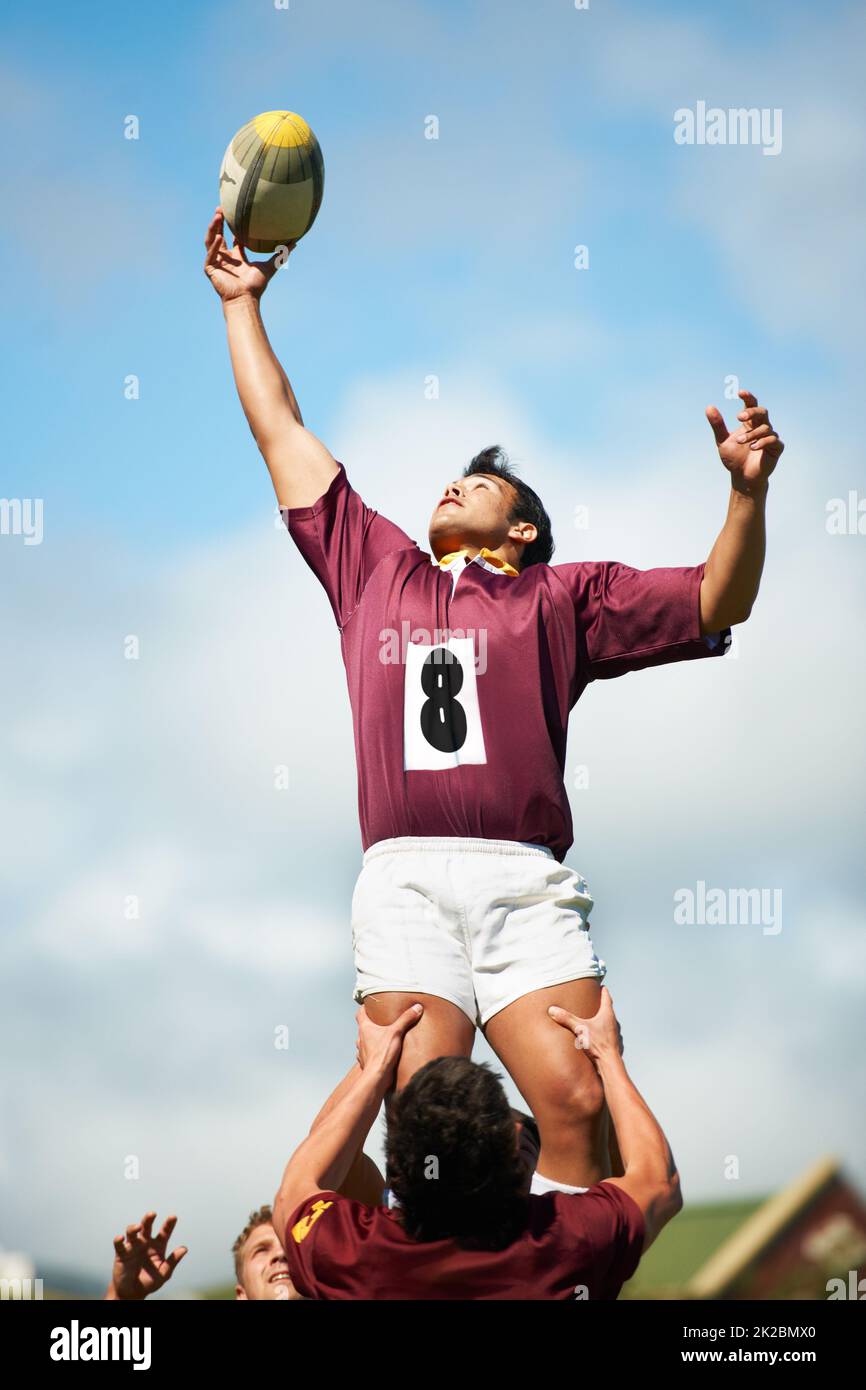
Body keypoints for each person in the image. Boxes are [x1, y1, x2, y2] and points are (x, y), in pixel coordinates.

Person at [204, 210, 784, 1195]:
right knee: (418, 1114)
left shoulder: (565, 598)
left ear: (521, 530)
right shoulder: (371, 566)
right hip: (404, 881)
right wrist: (241, 309)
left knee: (578, 1104)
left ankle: (550, 1277)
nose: (446, 487)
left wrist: (745, 498)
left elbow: (714, 598)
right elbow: (281, 431)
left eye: (473, 485)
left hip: (523, 882)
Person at [272, 990, 680, 1300]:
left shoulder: (358, 1257)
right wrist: (608, 1057)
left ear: (395, 1167)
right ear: (516, 1147)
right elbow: (658, 1182)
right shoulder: (567, 1241)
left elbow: (299, 1187)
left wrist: (375, 1069)